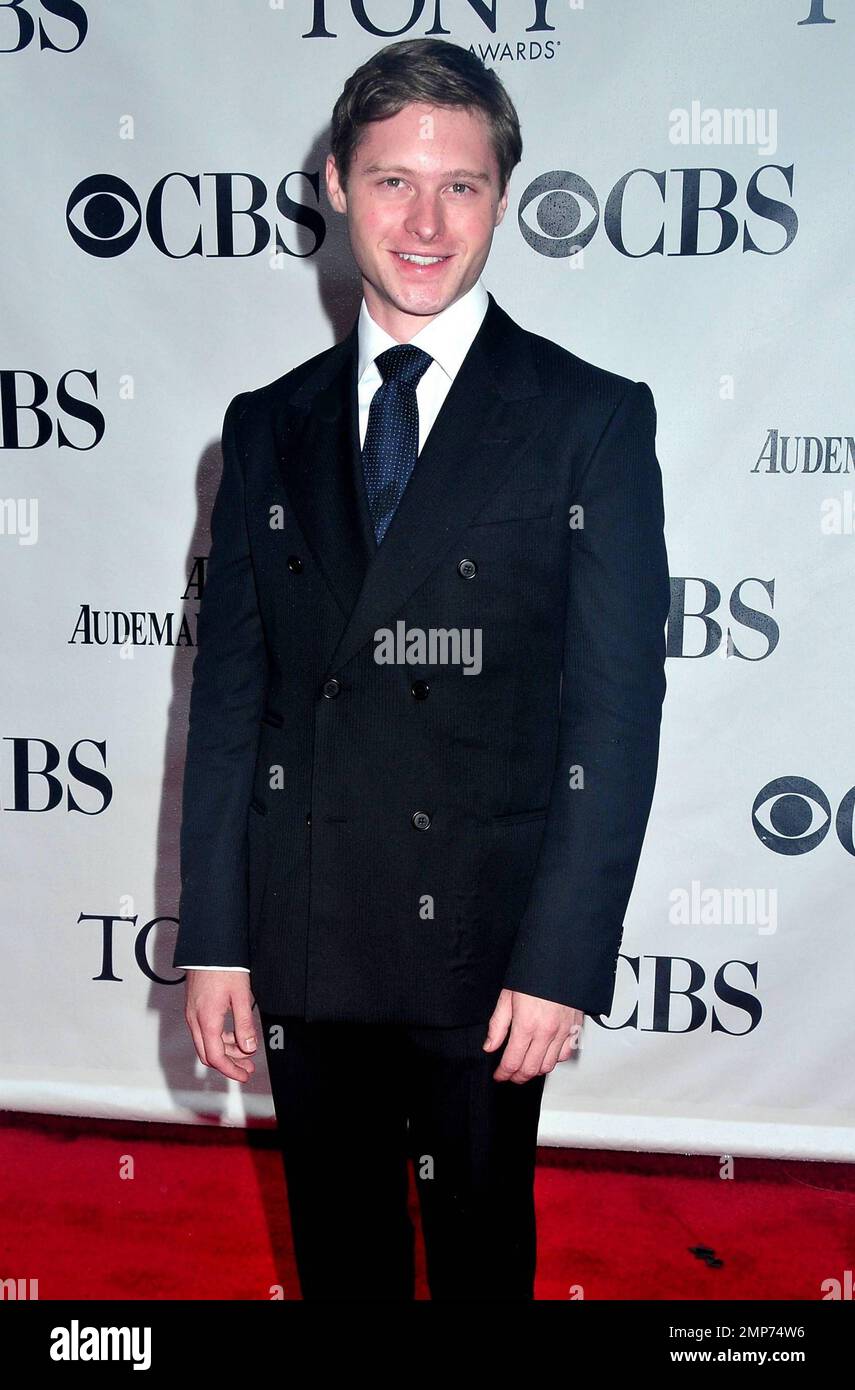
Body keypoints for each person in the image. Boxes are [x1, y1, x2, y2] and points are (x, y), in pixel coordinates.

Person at [173, 36, 670, 1301]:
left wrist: (562, 956)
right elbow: (232, 699)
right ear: (335, 184)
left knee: (478, 1257)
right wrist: (219, 940)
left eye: (461, 185)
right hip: (306, 919)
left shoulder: (589, 417)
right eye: (394, 180)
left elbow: (615, 712)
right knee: (341, 1258)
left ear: (504, 195)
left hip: (485, 939)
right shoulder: (265, 422)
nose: (426, 221)